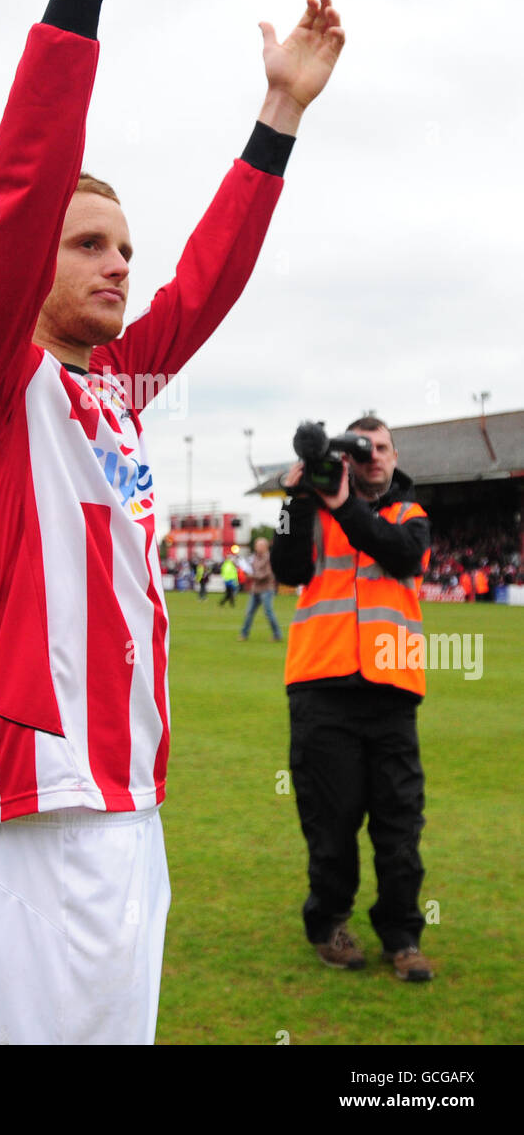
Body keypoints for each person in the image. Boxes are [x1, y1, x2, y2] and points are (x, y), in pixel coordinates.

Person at [0, 0, 345, 1046]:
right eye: (89, 243)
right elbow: (22, 190)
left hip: (133, 815)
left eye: (123, 245)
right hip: (29, 818)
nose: (118, 265)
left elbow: (205, 280)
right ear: (30, 267)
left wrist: (277, 114)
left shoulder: (116, 383)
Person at [271, 415, 434, 982]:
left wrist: (341, 504)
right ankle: (329, 925)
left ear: (394, 455)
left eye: (383, 448)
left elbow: (400, 555)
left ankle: (403, 936)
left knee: (399, 824)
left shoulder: (411, 514)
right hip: (322, 685)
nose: (375, 459)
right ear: (343, 457)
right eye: (363, 450)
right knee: (331, 821)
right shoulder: (311, 510)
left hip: (392, 689)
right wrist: (294, 499)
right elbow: (288, 569)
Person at [238, 536, 282, 641]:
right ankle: (244, 634)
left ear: (265, 547)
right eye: (257, 545)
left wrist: (252, 576)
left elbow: (266, 574)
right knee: (249, 612)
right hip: (255, 589)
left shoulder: (270, 558)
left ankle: (277, 635)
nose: (257, 547)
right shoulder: (254, 558)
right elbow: (251, 569)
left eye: (259, 545)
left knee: (268, 612)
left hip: (266, 589)